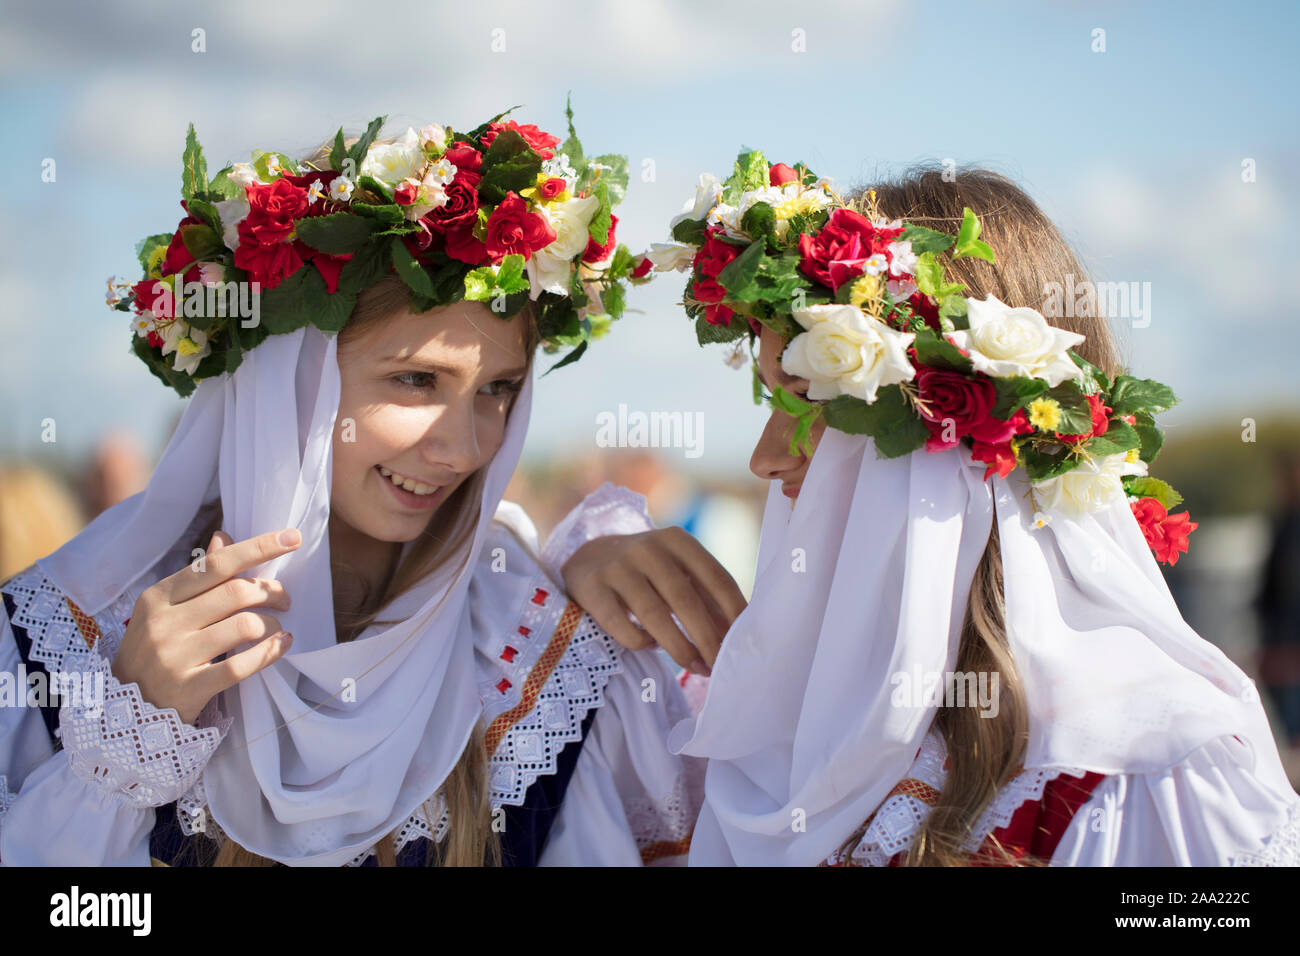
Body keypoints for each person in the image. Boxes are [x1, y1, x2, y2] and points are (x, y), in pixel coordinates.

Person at [0, 110, 708, 866]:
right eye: (415, 380)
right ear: (286, 385)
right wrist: (124, 752)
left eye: (498, 389)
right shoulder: (72, 641)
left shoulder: (543, 662)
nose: (465, 447)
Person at [631, 155, 1300, 865]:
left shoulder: (1146, 779)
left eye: (812, 399)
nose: (765, 458)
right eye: (774, 400)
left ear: (954, 429)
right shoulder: (790, 730)